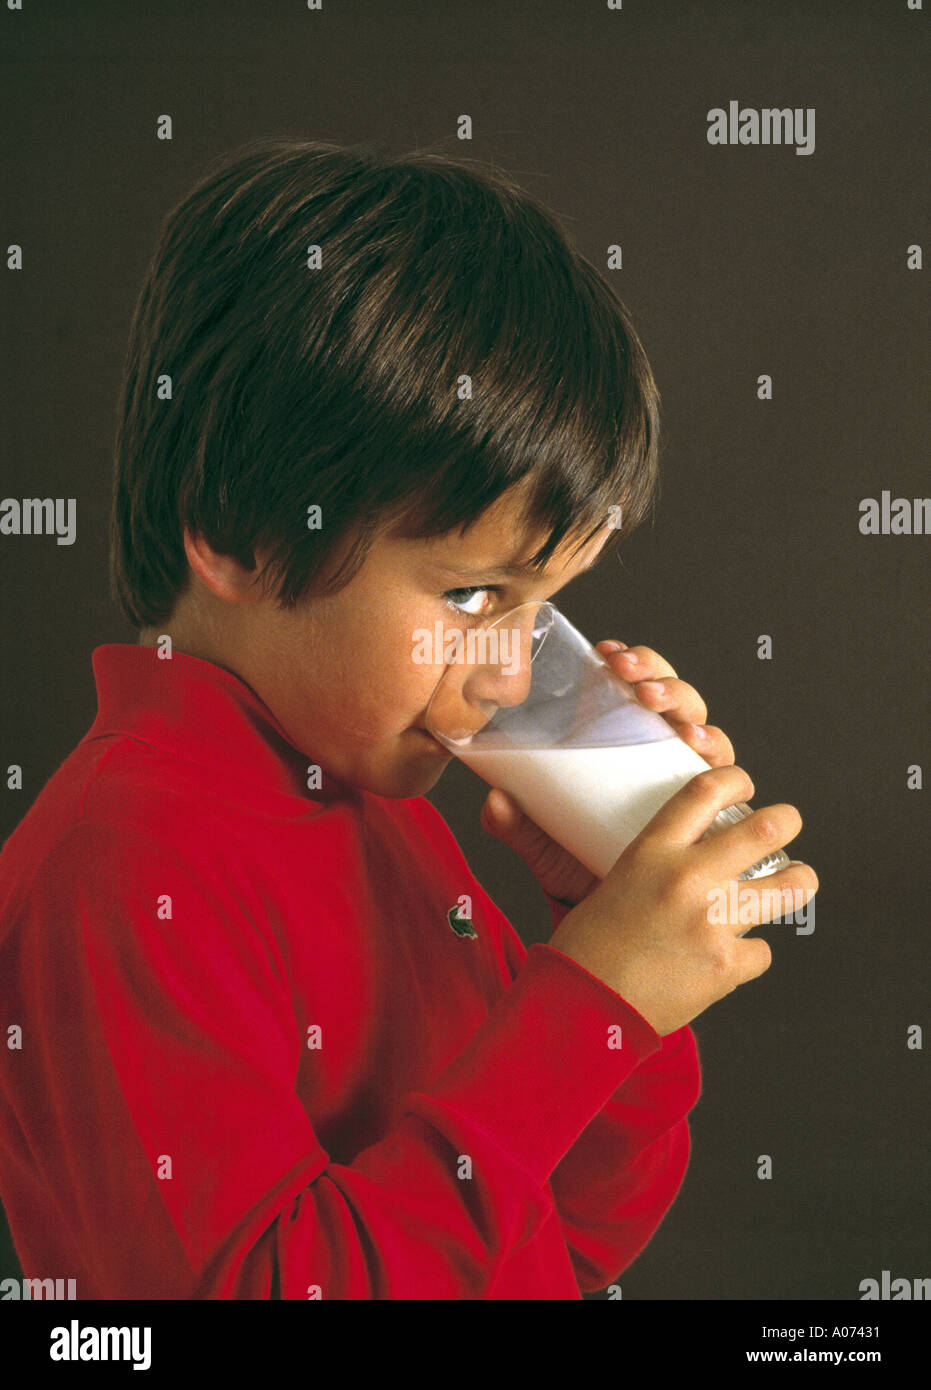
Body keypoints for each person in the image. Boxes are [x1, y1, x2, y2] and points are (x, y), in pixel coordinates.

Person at [0, 136, 817, 1299]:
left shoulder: (378, 808)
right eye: (473, 594)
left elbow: (574, 1234)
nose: (506, 672)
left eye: (543, 609)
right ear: (238, 530)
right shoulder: (124, 868)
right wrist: (590, 997)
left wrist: (609, 942)